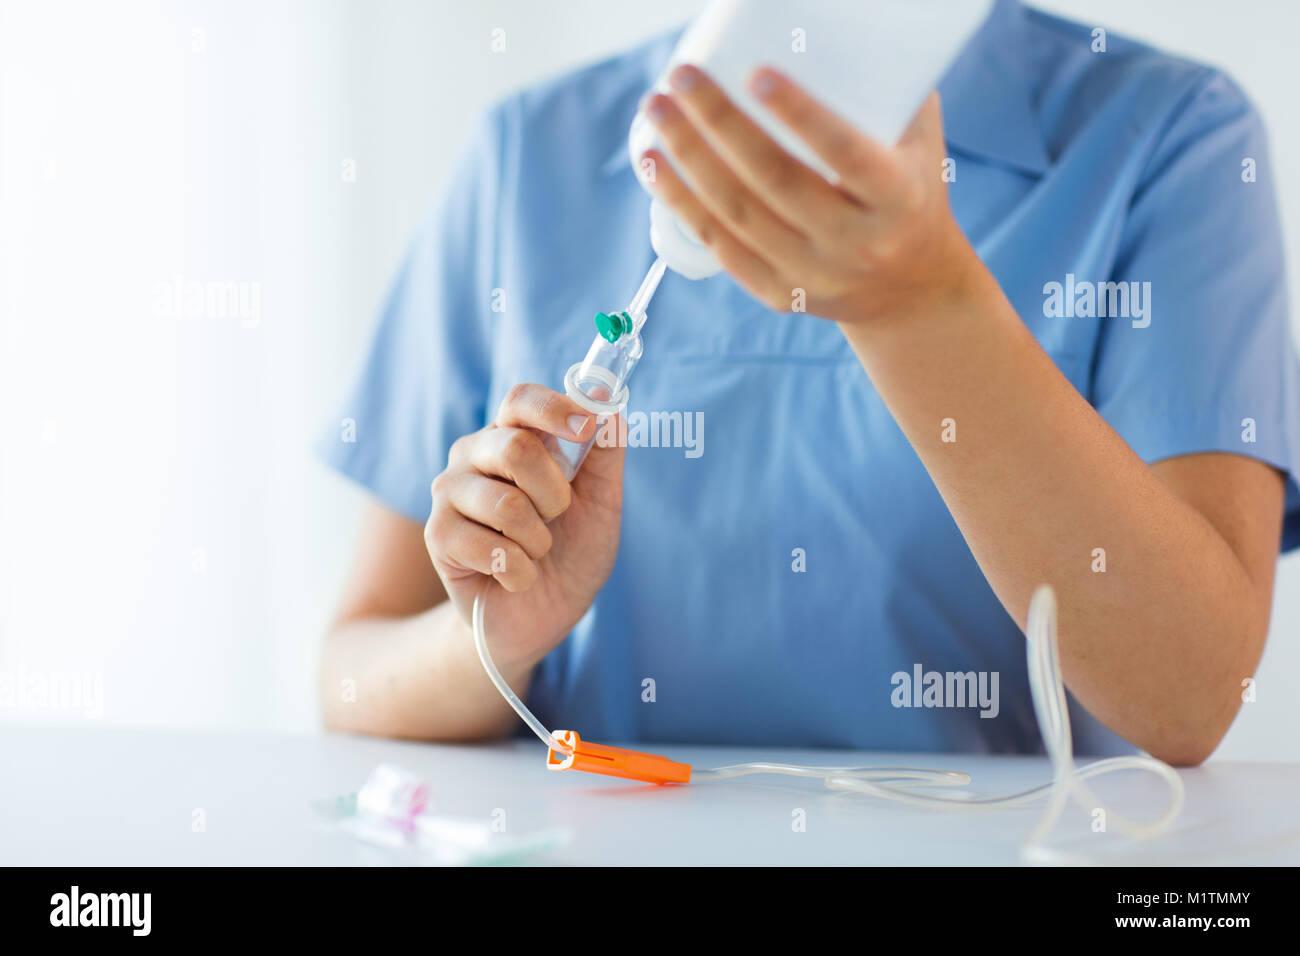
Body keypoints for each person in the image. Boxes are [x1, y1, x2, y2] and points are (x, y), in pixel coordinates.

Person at [317, 0, 1300, 764]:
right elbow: (350, 677)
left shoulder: (1167, 142)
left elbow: (1190, 693)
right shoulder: (533, 153)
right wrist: (495, 642)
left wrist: (922, 306)